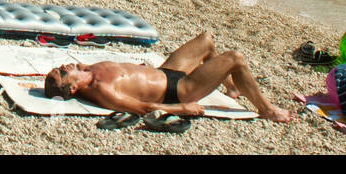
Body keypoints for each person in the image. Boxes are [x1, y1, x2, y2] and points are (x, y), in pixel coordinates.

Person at [43, 31, 293, 123]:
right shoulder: (101, 90)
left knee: (205, 40)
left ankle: (232, 88)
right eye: (63, 71)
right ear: (73, 88)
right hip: (179, 89)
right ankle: (267, 110)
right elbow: (144, 107)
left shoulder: (84, 69)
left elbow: (118, 70)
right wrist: (183, 108)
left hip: (164, 71)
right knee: (235, 57)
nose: (66, 65)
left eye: (60, 67)